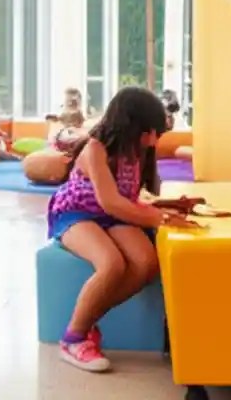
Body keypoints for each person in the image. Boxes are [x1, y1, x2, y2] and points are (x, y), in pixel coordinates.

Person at [46, 87, 197, 372]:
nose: (152, 140)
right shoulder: (95, 149)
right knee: (111, 263)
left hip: (112, 215)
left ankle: (87, 320)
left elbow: (129, 199)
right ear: (127, 125)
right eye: (147, 131)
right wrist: (157, 218)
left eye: (156, 133)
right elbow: (110, 200)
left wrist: (168, 206)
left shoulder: (136, 152)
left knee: (146, 262)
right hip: (76, 213)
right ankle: (74, 338)